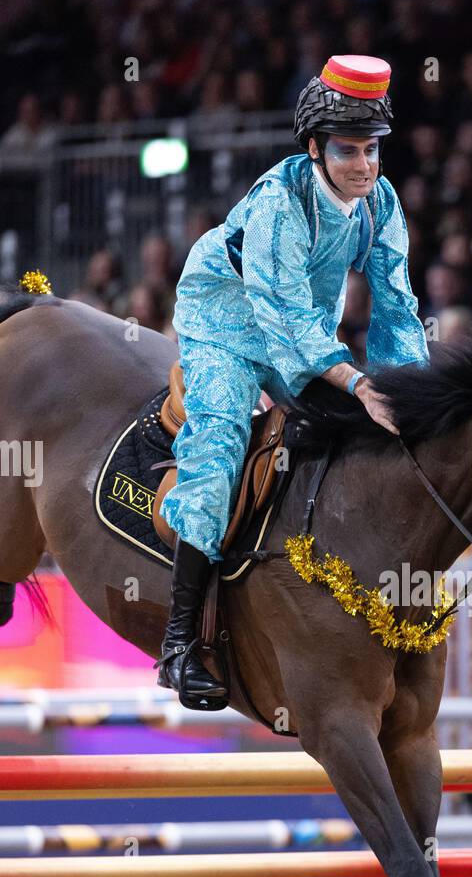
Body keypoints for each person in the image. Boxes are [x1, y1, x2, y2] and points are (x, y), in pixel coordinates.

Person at [158, 55, 428, 708]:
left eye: (373, 149)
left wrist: (415, 398)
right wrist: (358, 384)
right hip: (225, 310)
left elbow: (398, 309)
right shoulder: (281, 202)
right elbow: (283, 327)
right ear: (313, 148)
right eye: (347, 151)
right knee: (221, 445)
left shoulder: (380, 203)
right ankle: (180, 642)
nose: (365, 165)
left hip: (304, 318)